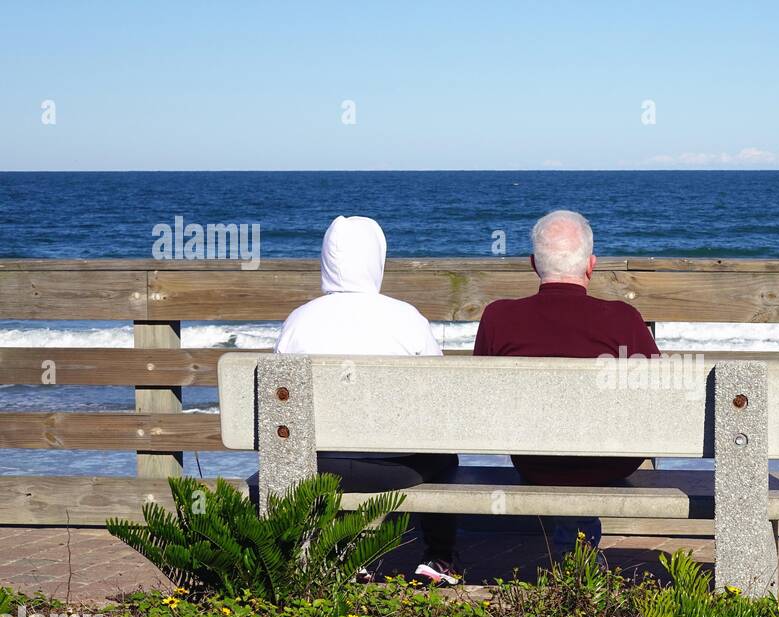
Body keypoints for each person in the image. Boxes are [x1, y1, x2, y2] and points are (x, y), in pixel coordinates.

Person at [250, 215, 460, 583]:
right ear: (377, 260)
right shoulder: (406, 318)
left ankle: (337, 552)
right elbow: (438, 400)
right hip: (397, 469)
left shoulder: (298, 320)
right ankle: (438, 557)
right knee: (445, 457)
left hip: (314, 469)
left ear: (327, 261)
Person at [472, 210, 659, 548]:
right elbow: (658, 397)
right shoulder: (623, 319)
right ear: (591, 264)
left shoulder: (499, 317)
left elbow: (481, 399)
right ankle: (578, 553)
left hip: (535, 461)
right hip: (608, 462)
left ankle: (571, 550)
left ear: (534, 264)